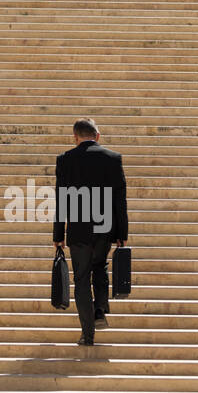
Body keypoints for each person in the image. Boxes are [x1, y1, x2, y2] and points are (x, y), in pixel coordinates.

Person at [53, 118, 129, 346]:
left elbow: (61, 201)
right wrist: (122, 233)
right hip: (104, 226)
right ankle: (99, 310)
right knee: (100, 268)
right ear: (97, 136)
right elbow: (120, 201)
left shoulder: (65, 160)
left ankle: (87, 334)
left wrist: (58, 235)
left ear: (75, 138)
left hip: (78, 228)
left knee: (82, 278)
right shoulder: (113, 159)